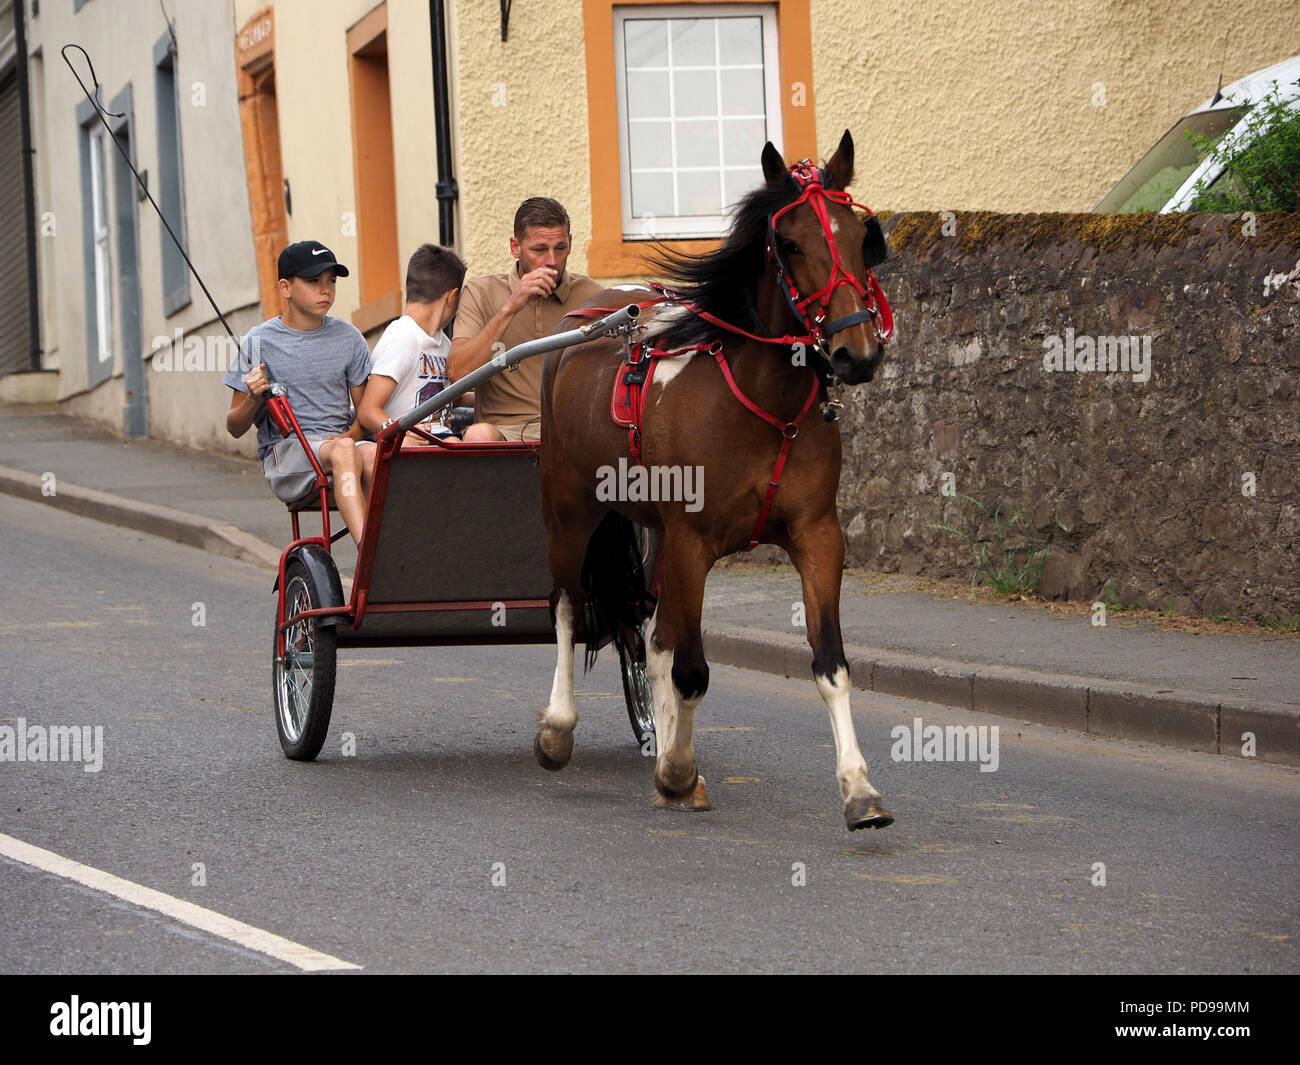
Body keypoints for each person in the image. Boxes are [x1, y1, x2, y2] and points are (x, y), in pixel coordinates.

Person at [224, 240, 375, 543]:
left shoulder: (349, 338)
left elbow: (365, 416)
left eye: (331, 281)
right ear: (286, 287)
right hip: (288, 456)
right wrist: (253, 398)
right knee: (346, 451)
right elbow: (234, 427)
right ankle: (371, 554)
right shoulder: (258, 341)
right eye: (313, 281)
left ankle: (392, 550)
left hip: (340, 446)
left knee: (374, 454)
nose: (325, 290)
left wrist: (346, 437)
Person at [448, 197, 604, 441]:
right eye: (539, 250)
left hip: (573, 434)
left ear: (570, 243)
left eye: (560, 248)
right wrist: (510, 308)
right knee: (478, 435)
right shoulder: (480, 292)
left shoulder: (593, 295)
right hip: (506, 432)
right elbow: (459, 373)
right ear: (515, 247)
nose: (552, 261)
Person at [358, 244, 466, 444]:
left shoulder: (443, 342)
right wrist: (401, 432)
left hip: (443, 439)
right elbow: (367, 411)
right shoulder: (402, 337)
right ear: (452, 297)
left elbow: (446, 397)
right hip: (407, 446)